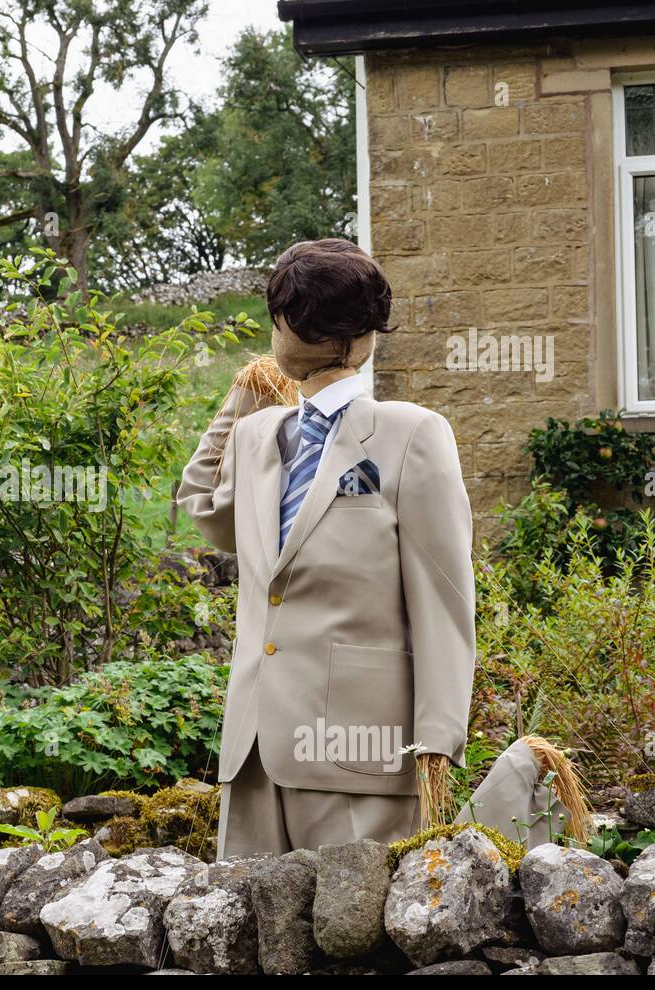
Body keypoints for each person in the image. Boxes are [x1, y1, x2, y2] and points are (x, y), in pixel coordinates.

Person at [178, 238, 475, 859]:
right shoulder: (261, 434)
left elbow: (445, 601)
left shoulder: (411, 434)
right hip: (253, 751)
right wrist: (238, 404)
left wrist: (438, 742)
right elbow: (204, 511)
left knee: (355, 945)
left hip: (360, 754)